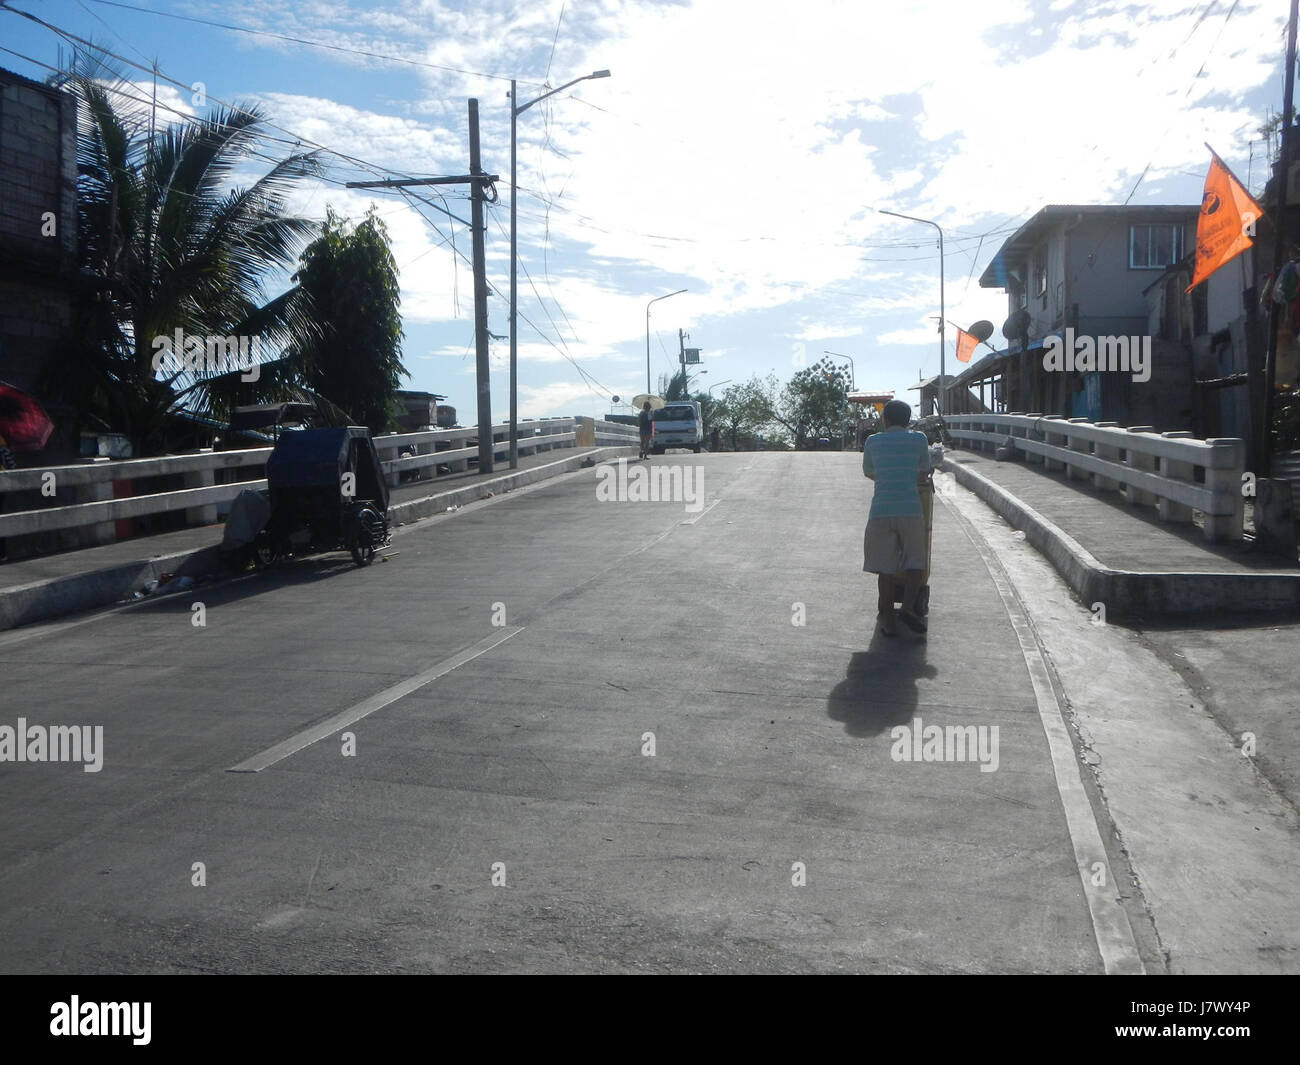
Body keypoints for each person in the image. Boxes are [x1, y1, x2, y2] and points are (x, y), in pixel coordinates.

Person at [861, 399, 931, 637]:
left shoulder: (872, 441)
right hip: (911, 509)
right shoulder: (919, 439)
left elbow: (870, 472)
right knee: (915, 562)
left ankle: (888, 620)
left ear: (885, 420)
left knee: (885, 567)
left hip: (881, 510)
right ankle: (909, 608)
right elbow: (924, 468)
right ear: (908, 420)